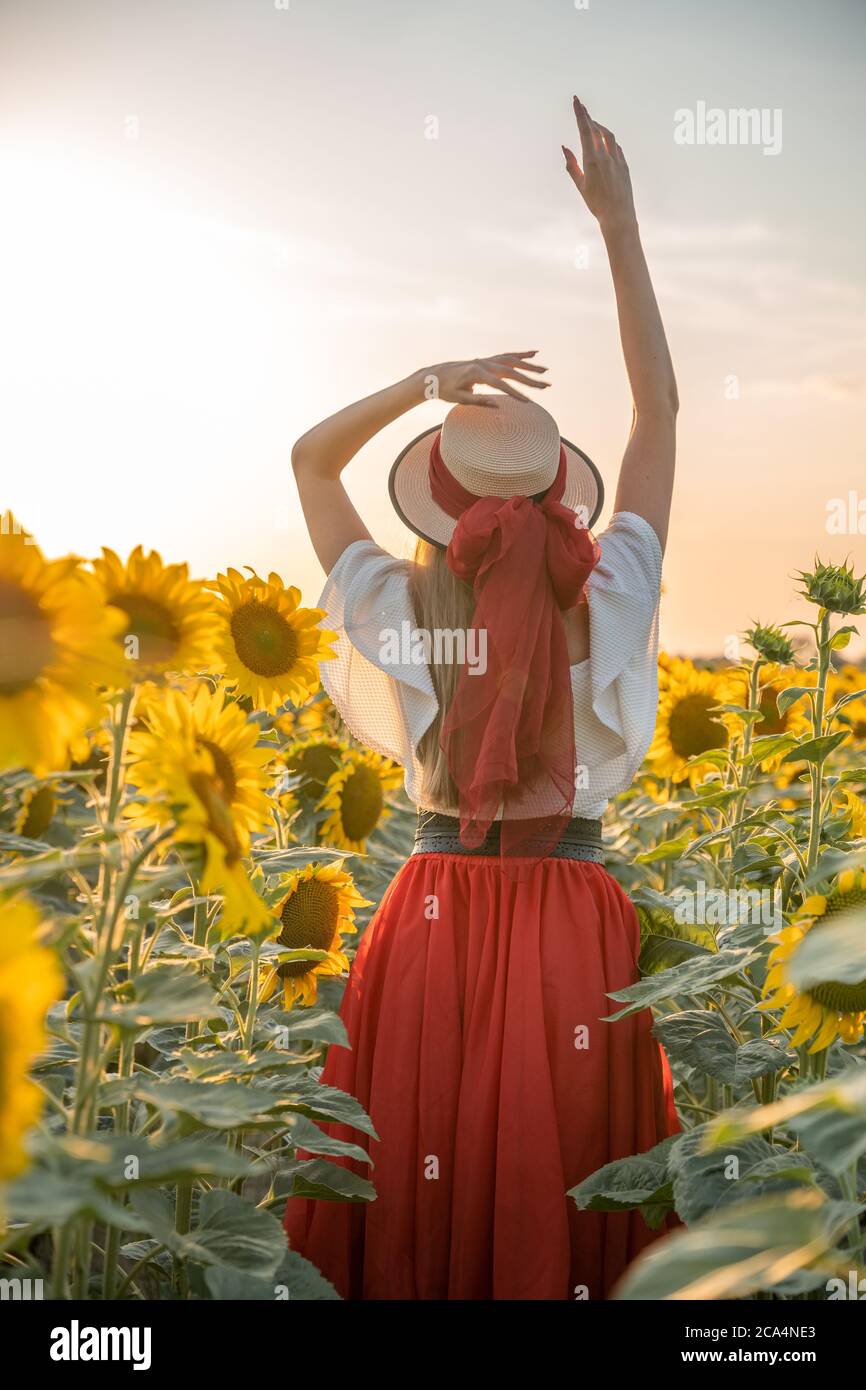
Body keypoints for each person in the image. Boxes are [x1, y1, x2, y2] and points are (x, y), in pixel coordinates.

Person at [286, 97, 680, 1300]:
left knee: (416, 1170)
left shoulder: (399, 609)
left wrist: (423, 379)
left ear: (436, 504)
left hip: (432, 914)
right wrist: (619, 226)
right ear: (563, 488)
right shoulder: (606, 586)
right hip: (576, 914)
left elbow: (307, 457)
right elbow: (659, 411)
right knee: (558, 1174)